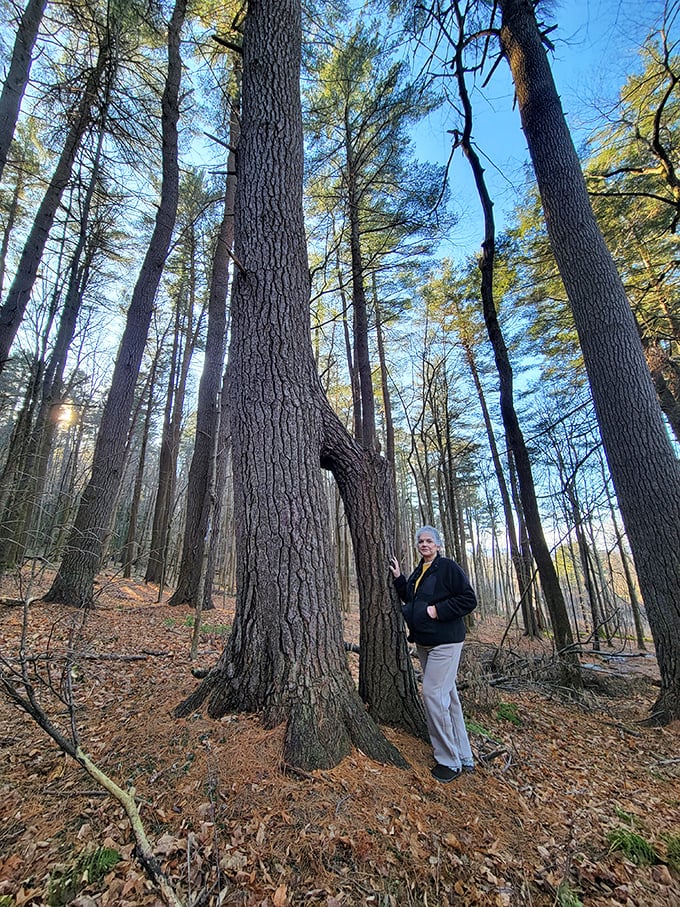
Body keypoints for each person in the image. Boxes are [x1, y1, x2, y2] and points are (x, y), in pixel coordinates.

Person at [390, 525, 477, 783]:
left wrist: (437, 611)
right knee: (447, 696)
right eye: (420, 541)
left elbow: (468, 599)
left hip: (445, 643)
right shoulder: (420, 570)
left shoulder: (448, 567)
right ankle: (463, 755)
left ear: (438, 545)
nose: (424, 545)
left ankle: (449, 761)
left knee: (432, 694)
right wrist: (399, 578)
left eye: (429, 541)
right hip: (425, 643)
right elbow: (412, 599)